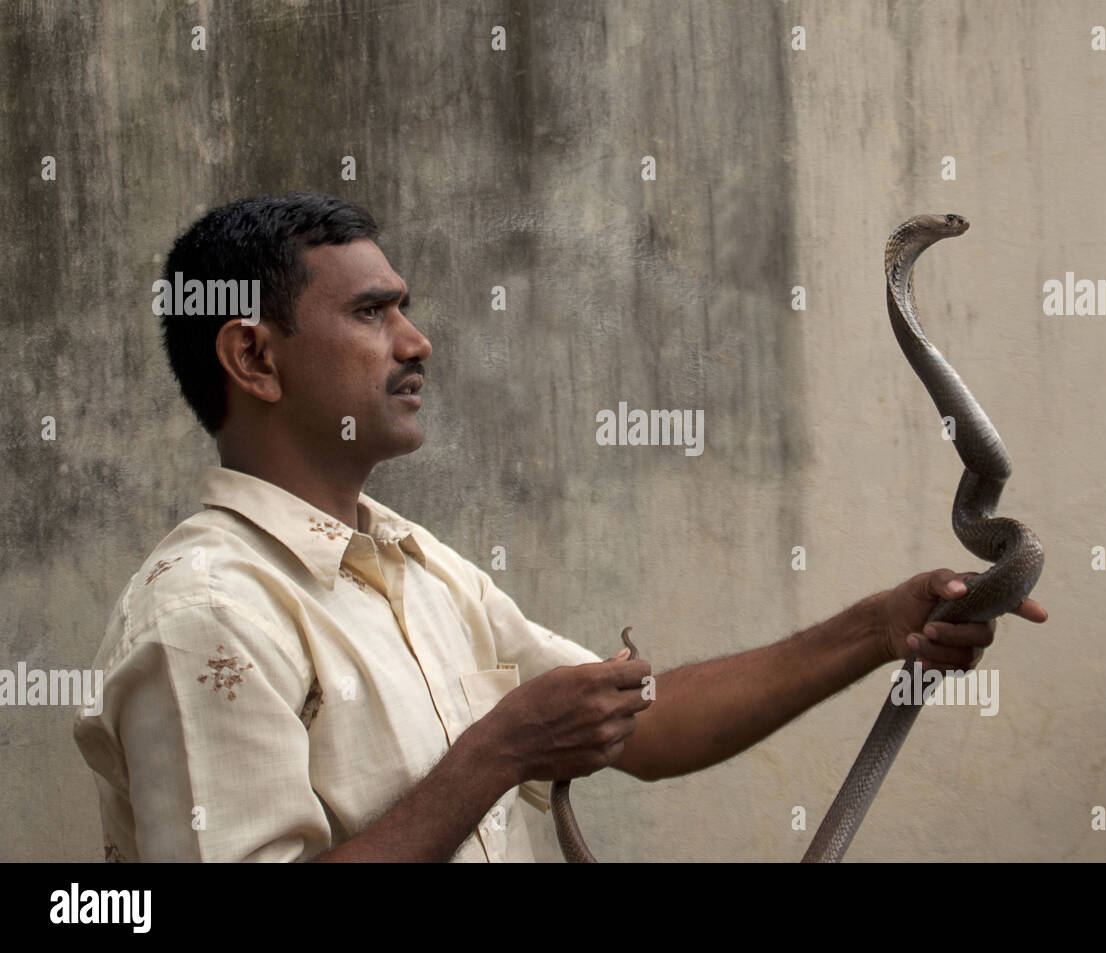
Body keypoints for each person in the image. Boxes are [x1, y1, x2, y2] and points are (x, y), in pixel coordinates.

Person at [73, 193, 1047, 863]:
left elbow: (645, 726)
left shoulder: (415, 567)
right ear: (253, 355)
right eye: (373, 313)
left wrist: (879, 628)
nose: (417, 342)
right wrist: (496, 753)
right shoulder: (207, 612)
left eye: (406, 309)